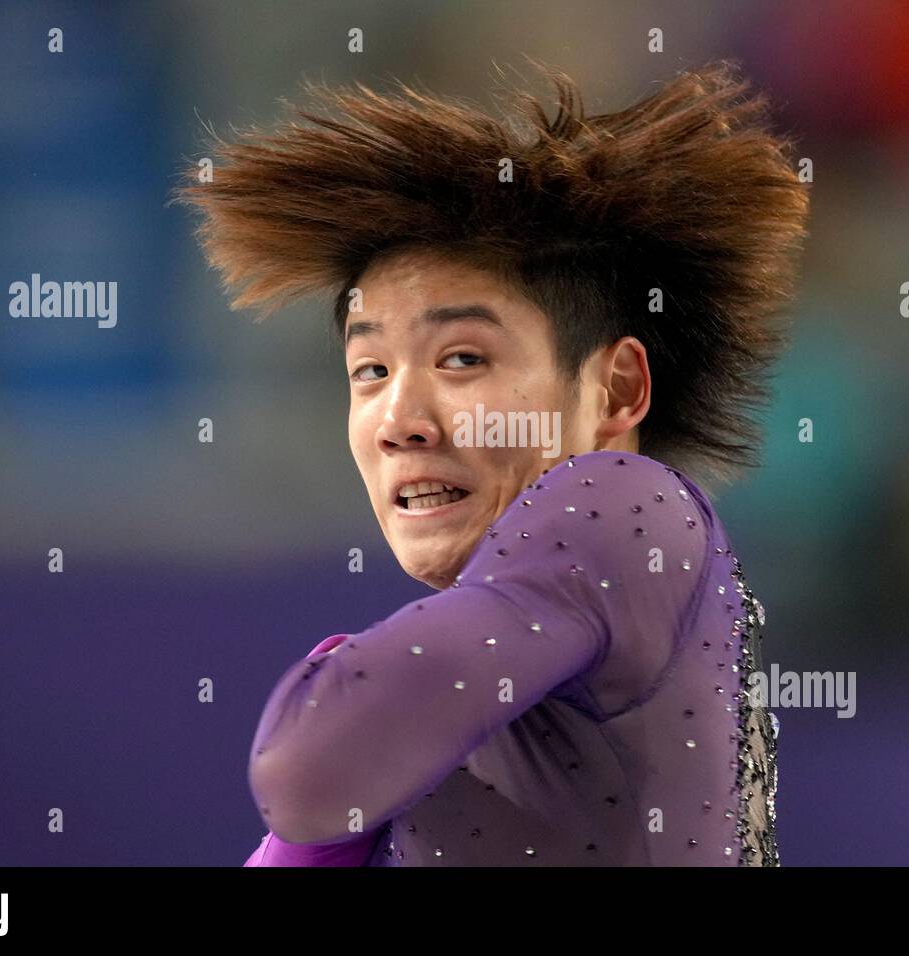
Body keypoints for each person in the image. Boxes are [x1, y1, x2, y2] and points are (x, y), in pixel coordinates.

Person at [174, 58, 808, 866]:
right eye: (370, 371)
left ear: (616, 390)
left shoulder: (619, 506)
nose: (398, 421)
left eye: (463, 359)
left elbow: (307, 769)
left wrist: (341, 693)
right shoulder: (489, 674)